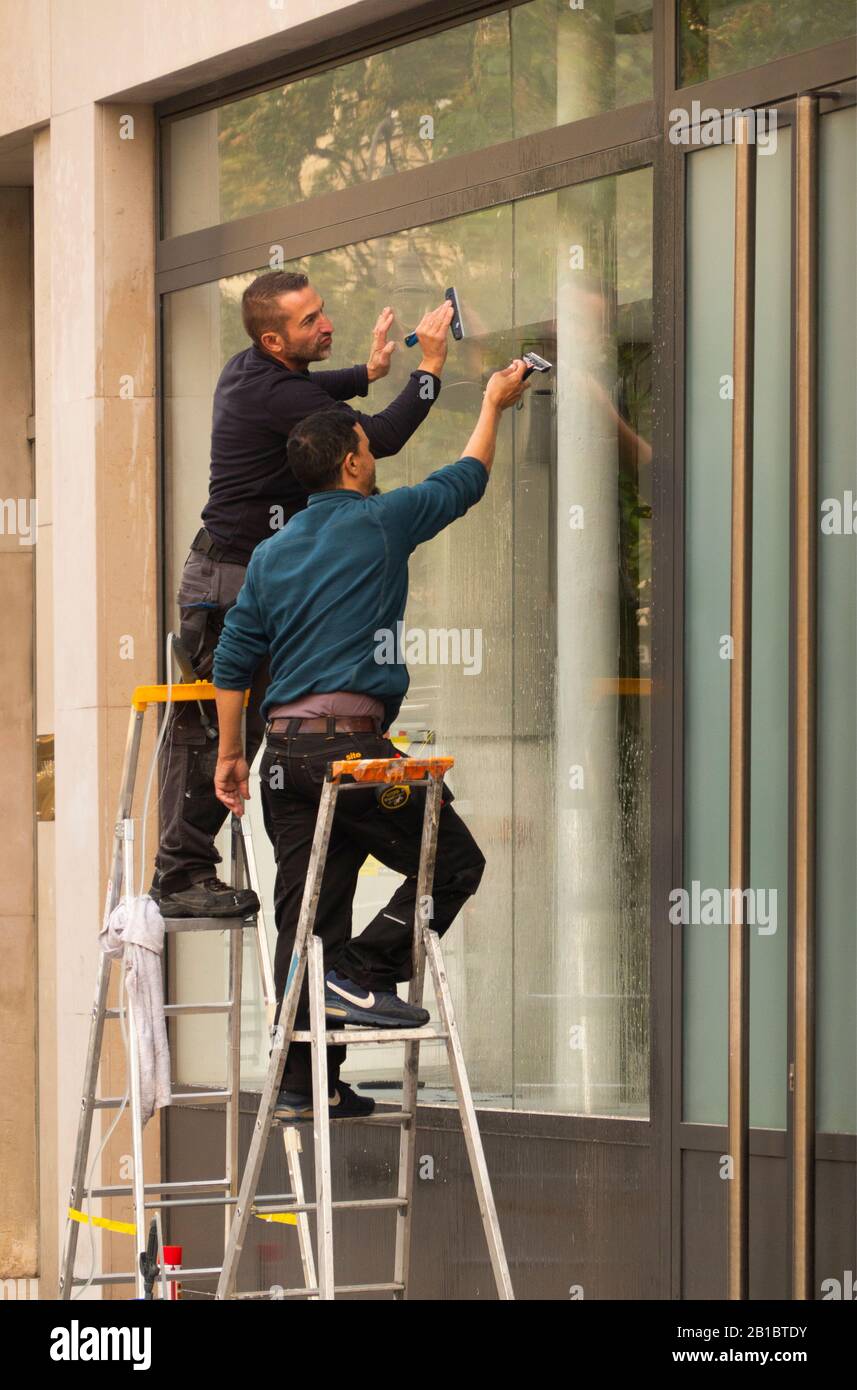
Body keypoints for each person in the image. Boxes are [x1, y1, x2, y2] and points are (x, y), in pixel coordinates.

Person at [210, 358, 530, 1119]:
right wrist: (492, 402)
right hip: (349, 755)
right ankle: (360, 971)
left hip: (283, 760)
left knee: (307, 914)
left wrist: (230, 754)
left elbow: (232, 660)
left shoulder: (270, 552)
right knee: (453, 863)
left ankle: (301, 1083)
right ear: (355, 461)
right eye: (368, 444)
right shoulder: (380, 520)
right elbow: (468, 476)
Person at [152, 269, 454, 918]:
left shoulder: (252, 371)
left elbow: (310, 388)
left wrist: (366, 370)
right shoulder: (275, 396)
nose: (326, 323)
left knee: (258, 717)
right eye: (309, 320)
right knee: (211, 729)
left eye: (321, 311)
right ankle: (179, 877)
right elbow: (380, 438)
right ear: (271, 336)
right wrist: (426, 368)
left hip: (251, 570)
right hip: (227, 580)